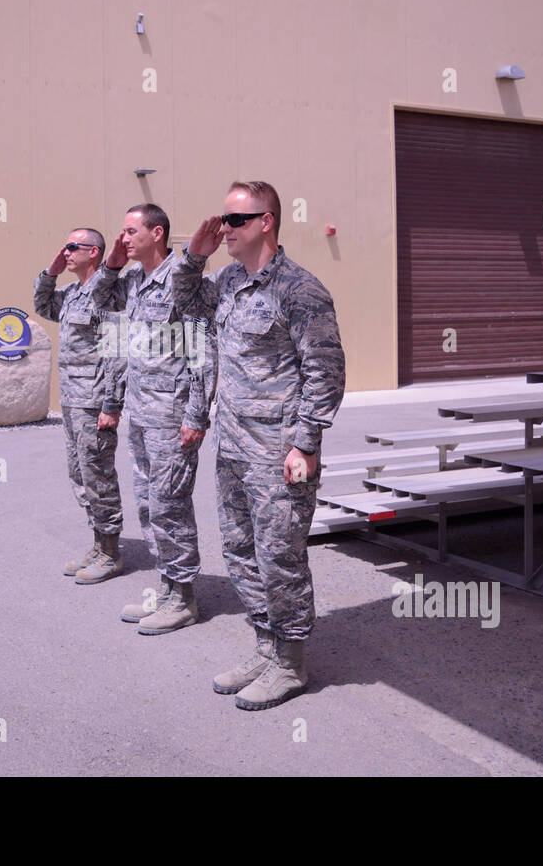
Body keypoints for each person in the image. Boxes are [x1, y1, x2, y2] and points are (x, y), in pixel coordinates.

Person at [173, 181, 345, 710]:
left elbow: (325, 369)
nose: (224, 229)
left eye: (235, 220)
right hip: (233, 444)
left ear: (266, 222)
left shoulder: (299, 289)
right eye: (223, 219)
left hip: (278, 450)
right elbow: (182, 305)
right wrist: (193, 256)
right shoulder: (226, 281)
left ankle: (290, 662)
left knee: (279, 555)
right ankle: (265, 645)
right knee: (241, 551)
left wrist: (306, 442)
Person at [90, 203, 216, 634]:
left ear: (157, 233)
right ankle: (166, 587)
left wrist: (197, 414)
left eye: (129, 231)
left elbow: (201, 349)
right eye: (122, 231)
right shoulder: (136, 282)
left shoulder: (184, 280)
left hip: (173, 417)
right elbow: (99, 299)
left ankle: (183, 597)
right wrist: (111, 263)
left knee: (170, 505)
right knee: (148, 505)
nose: (123, 238)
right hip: (143, 415)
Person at [33, 228, 127, 584]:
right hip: (72, 402)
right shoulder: (72, 293)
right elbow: (42, 305)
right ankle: (98, 541)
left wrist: (112, 404)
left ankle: (110, 552)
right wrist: (51, 272)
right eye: (65, 245)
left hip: (94, 403)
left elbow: (117, 353)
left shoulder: (107, 296)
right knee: (79, 473)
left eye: (73, 247)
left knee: (98, 475)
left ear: (94, 253)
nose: (66, 251)